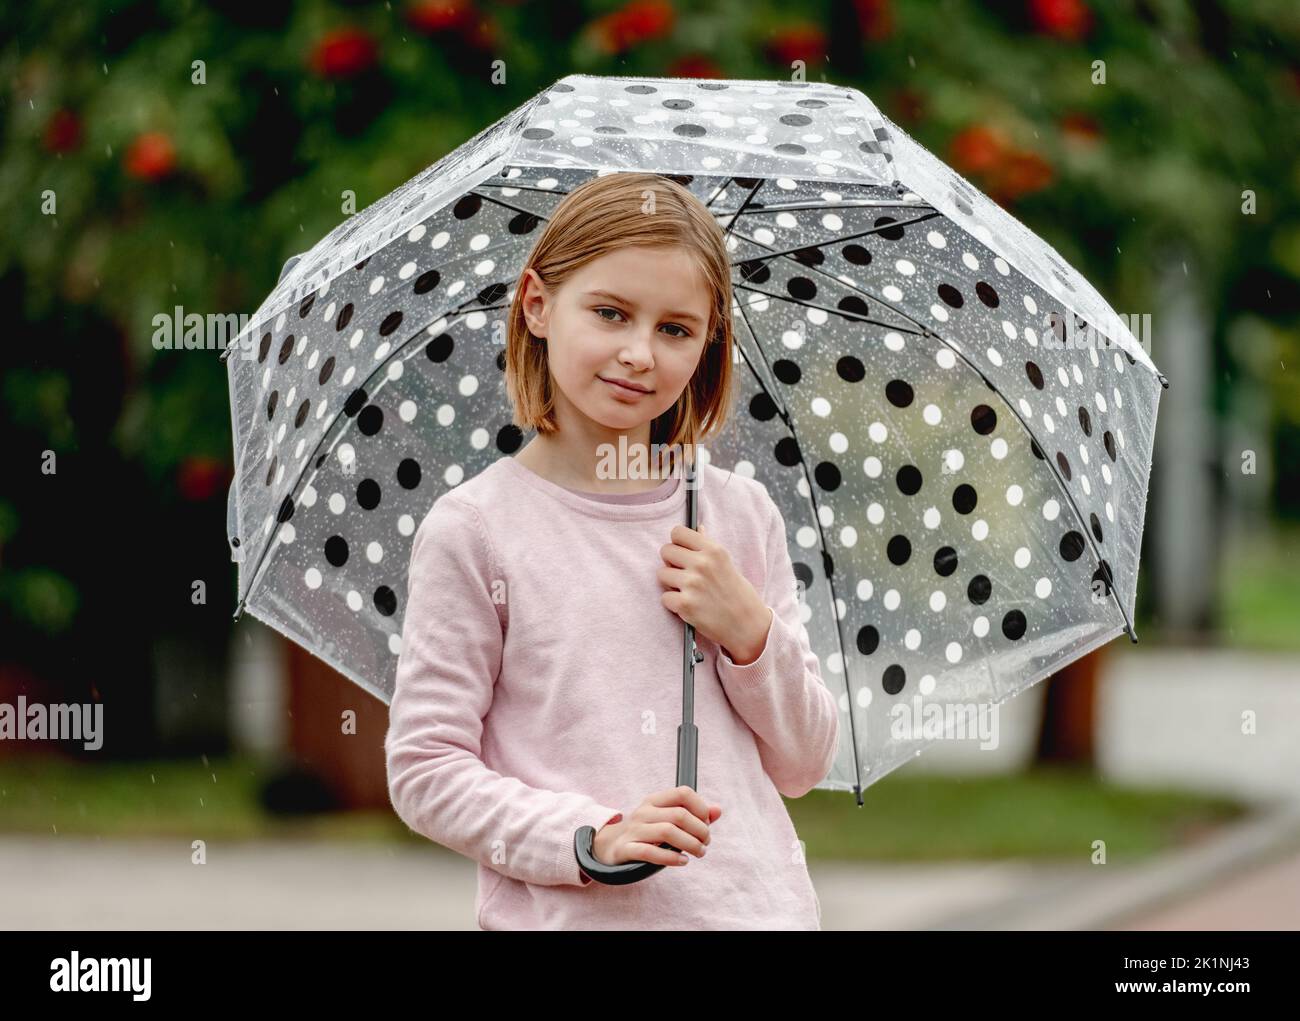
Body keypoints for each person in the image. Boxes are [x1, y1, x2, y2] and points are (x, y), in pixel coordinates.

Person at [384, 170, 838, 930]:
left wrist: (750, 633)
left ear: (707, 343)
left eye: (675, 329)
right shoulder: (478, 530)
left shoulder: (736, 513)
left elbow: (804, 760)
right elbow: (427, 768)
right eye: (610, 312)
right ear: (537, 304)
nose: (638, 353)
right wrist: (587, 837)